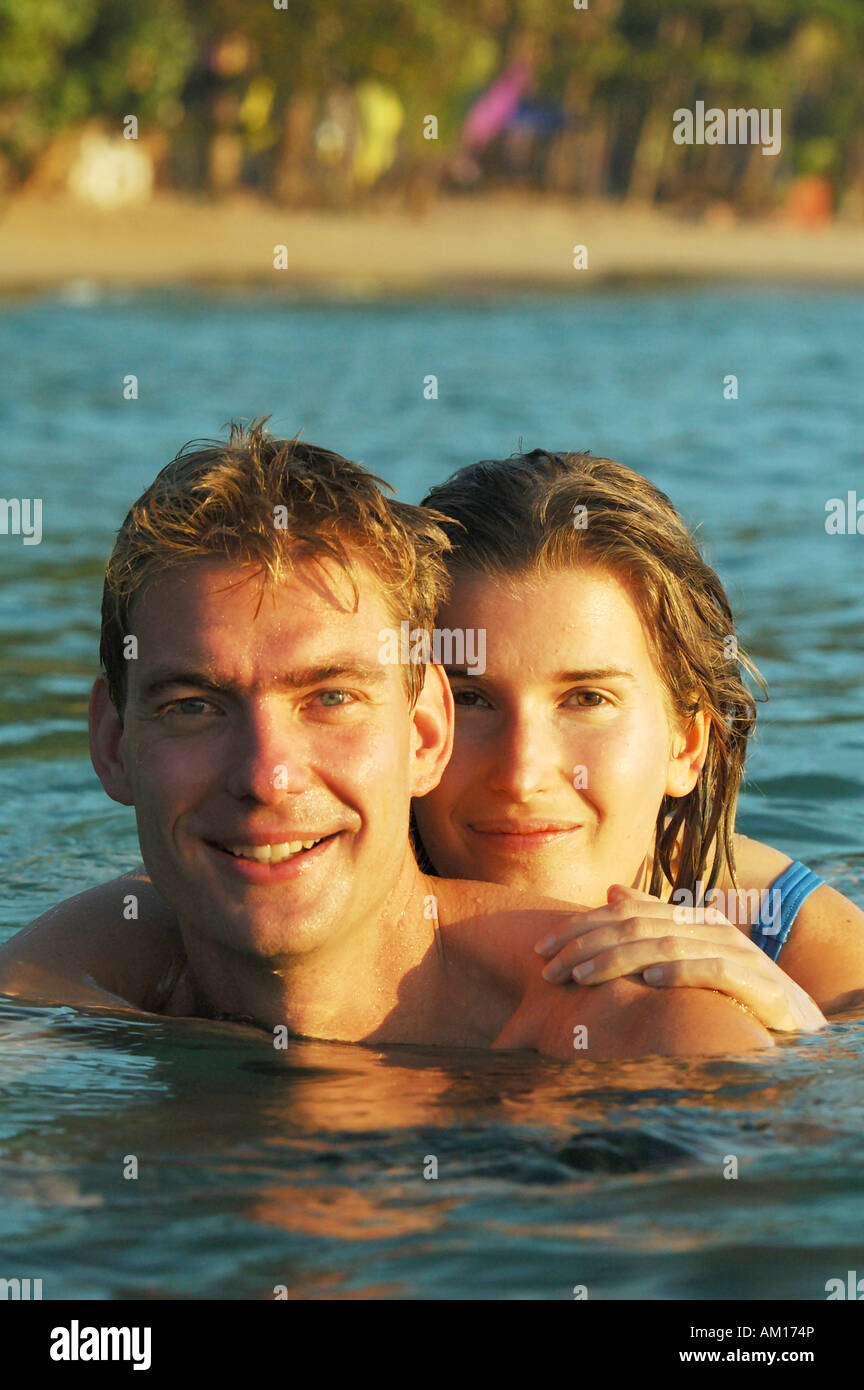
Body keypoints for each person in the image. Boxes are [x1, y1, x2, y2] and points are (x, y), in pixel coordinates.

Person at [0, 423, 775, 1061]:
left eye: (331, 697)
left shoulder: (652, 1037)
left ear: (423, 732)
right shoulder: (73, 993)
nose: (267, 776)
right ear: (110, 741)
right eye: (195, 707)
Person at [414, 450, 864, 1024]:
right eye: (472, 699)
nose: (521, 775)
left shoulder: (781, 933)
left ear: (686, 745)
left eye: (587, 699)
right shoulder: (316, 917)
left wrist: (797, 1034)